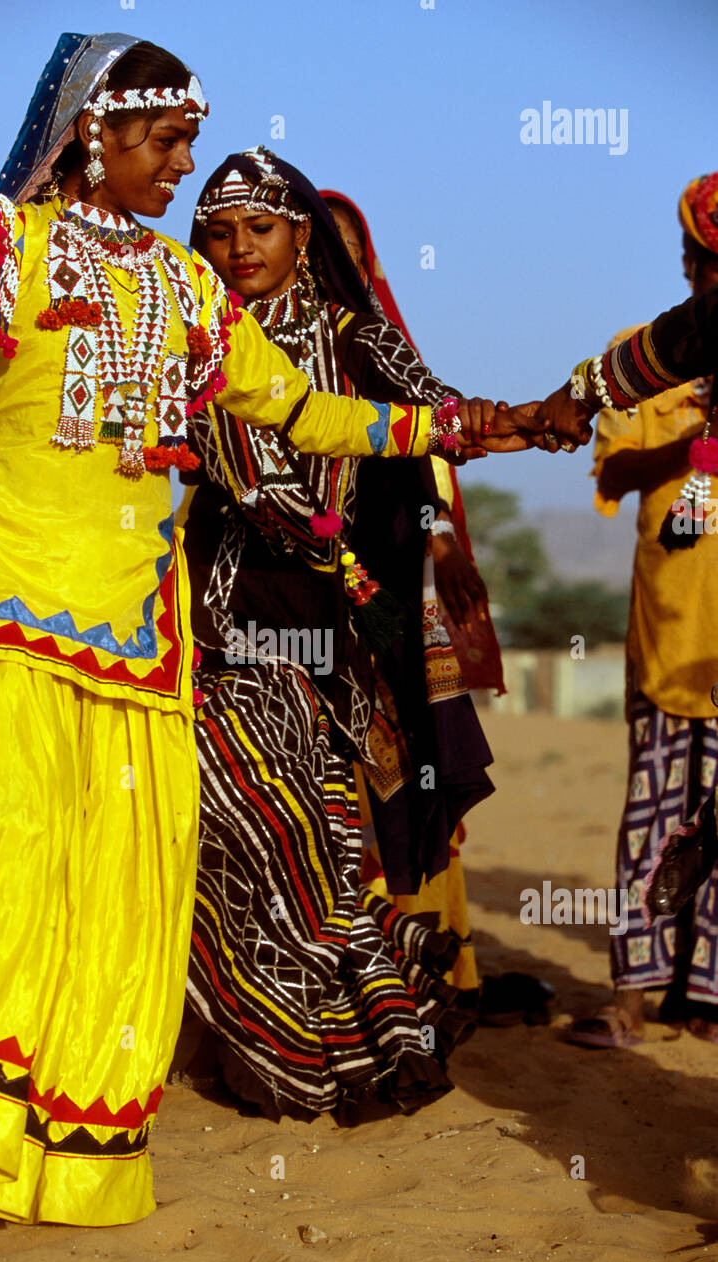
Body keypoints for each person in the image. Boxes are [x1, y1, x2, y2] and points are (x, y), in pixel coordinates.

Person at [0, 20, 481, 1227]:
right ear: (98, 133)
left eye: (190, 142)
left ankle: (9, 1149)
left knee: (109, 894)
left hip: (138, 648)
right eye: (170, 142)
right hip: (2, 615)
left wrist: (453, 427)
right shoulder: (4, 242)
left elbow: (302, 411)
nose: (186, 167)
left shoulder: (188, 289)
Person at [174, 147, 544, 1119]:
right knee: (234, 819)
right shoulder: (192, 329)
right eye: (218, 231)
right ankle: (240, 1036)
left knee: (328, 829)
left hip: (322, 608)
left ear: (303, 237)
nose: (239, 247)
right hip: (219, 603)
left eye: (260, 227)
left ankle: (332, 1035)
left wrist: (507, 421)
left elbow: (422, 406)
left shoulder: (350, 337)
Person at [321, 188, 509, 1012]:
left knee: (400, 761)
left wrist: (437, 540)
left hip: (381, 579)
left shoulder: (370, 344)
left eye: (345, 252)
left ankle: (421, 971)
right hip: (281, 581)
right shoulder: (249, 344)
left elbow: (422, 434)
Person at [564, 175, 718, 1048]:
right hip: (667, 632)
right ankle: (628, 1000)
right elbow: (613, 473)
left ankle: (701, 1000)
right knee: (654, 816)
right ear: (688, 265)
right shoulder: (645, 352)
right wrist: (685, 434)